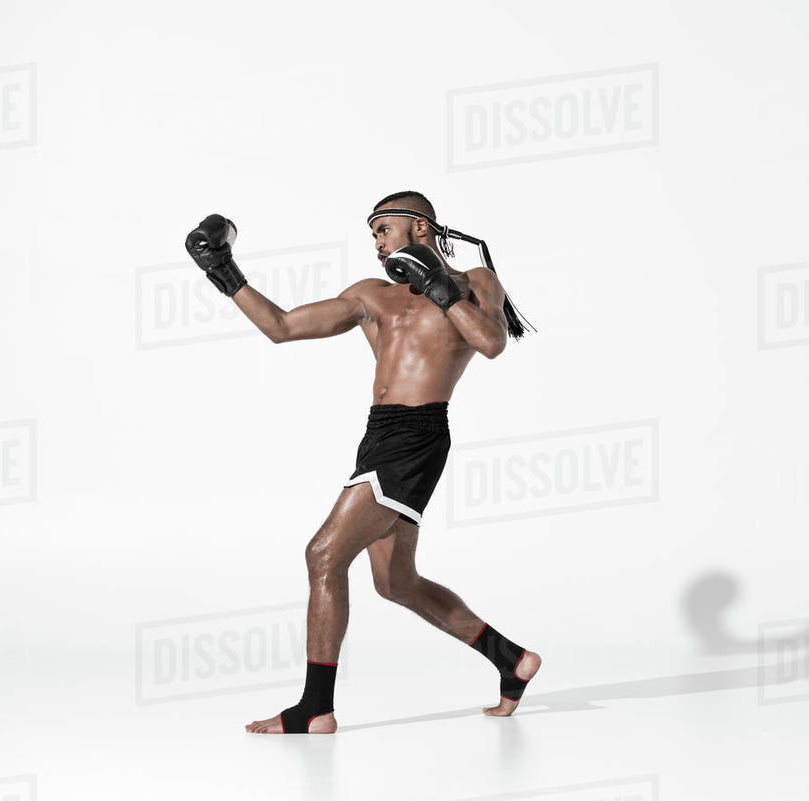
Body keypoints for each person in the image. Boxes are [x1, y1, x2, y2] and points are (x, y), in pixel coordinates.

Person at [184, 191, 541, 734]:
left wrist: (440, 290)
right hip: (379, 435)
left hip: (418, 434)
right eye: (371, 234)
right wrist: (225, 272)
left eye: (382, 230)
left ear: (419, 227)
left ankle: (315, 707)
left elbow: (491, 342)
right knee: (396, 582)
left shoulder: (475, 282)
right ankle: (510, 660)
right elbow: (281, 326)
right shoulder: (373, 296)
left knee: (323, 554)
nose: (375, 243)